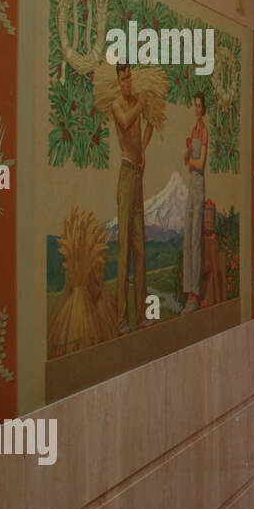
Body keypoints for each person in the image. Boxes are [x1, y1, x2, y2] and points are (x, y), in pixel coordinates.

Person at [109, 62, 156, 333]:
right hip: (126, 176)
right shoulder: (118, 105)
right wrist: (141, 105)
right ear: (118, 81)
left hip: (138, 175)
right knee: (124, 246)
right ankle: (120, 320)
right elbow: (126, 123)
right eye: (124, 78)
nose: (127, 82)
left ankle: (141, 315)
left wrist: (150, 123)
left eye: (130, 78)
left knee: (140, 249)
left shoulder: (135, 104)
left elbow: (141, 136)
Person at [182, 91, 209, 314]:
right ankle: (188, 291)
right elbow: (187, 160)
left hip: (199, 185)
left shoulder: (205, 132)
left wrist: (191, 161)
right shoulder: (193, 130)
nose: (197, 108)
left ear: (204, 109)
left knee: (195, 240)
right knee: (188, 238)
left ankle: (195, 294)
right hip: (191, 184)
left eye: (199, 105)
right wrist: (189, 150)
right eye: (195, 105)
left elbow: (200, 165)